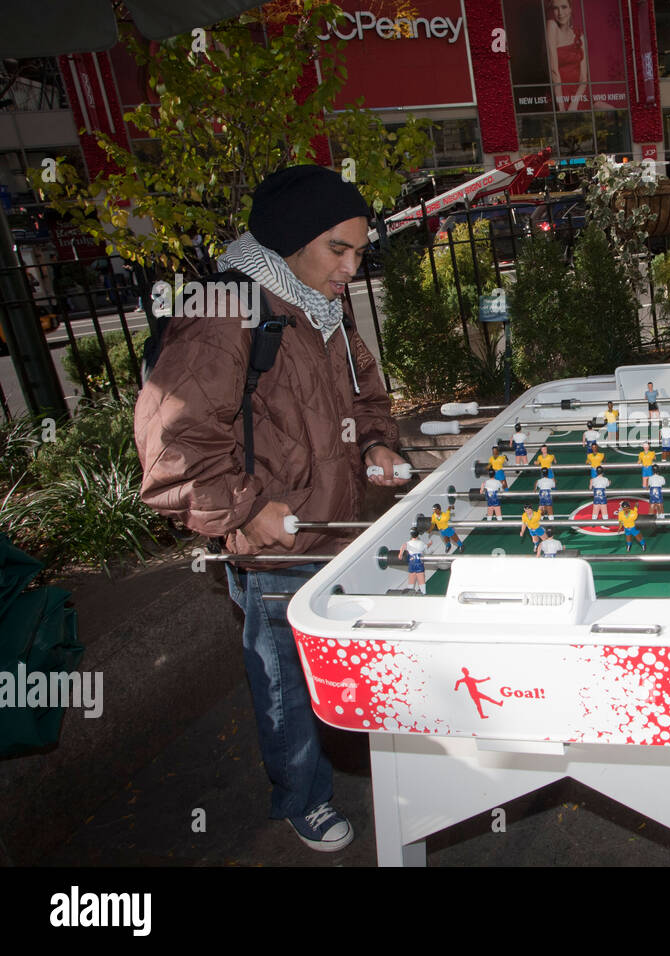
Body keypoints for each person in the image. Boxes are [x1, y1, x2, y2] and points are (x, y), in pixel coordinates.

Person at [134, 164, 411, 853]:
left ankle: (373, 765)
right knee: (285, 683)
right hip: (273, 551)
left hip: (337, 529)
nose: (351, 267)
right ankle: (301, 796)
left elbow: (364, 392)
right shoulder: (221, 313)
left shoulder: (322, 302)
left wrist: (376, 442)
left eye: (358, 252)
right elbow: (173, 444)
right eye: (337, 250)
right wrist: (245, 509)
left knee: (348, 664)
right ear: (291, 241)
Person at [546, 0, 588, 112]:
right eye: (555, 8)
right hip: (560, 94)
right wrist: (562, 108)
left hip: (578, 95)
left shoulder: (579, 35)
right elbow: (554, 71)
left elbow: (584, 79)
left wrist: (575, 102)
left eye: (564, 7)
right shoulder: (552, 25)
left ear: (570, 8)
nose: (560, 12)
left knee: (607, 109)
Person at [397, 526, 426, 592]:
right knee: (420, 576)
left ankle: (409, 591)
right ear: (418, 534)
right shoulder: (421, 543)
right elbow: (427, 551)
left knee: (411, 577)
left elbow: (402, 548)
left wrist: (400, 554)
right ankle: (423, 592)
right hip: (418, 561)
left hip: (411, 561)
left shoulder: (407, 543)